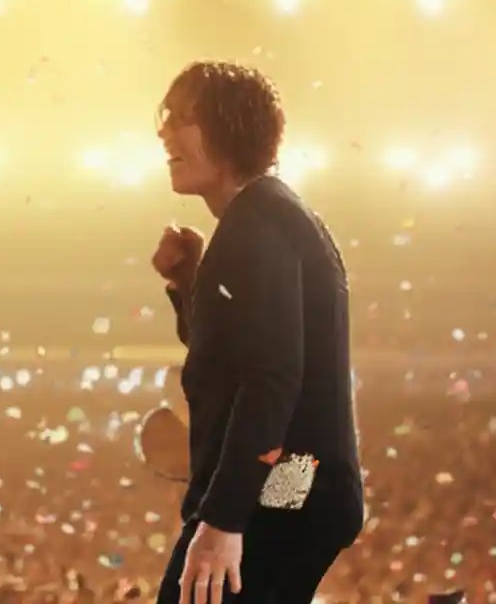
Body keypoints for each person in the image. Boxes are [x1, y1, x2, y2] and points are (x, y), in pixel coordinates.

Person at [149, 61, 364, 604]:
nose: (164, 132)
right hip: (296, 484)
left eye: (182, 118)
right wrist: (190, 283)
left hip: (281, 493)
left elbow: (272, 378)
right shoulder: (271, 215)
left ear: (229, 126)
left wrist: (224, 520)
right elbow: (243, 357)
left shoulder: (256, 227)